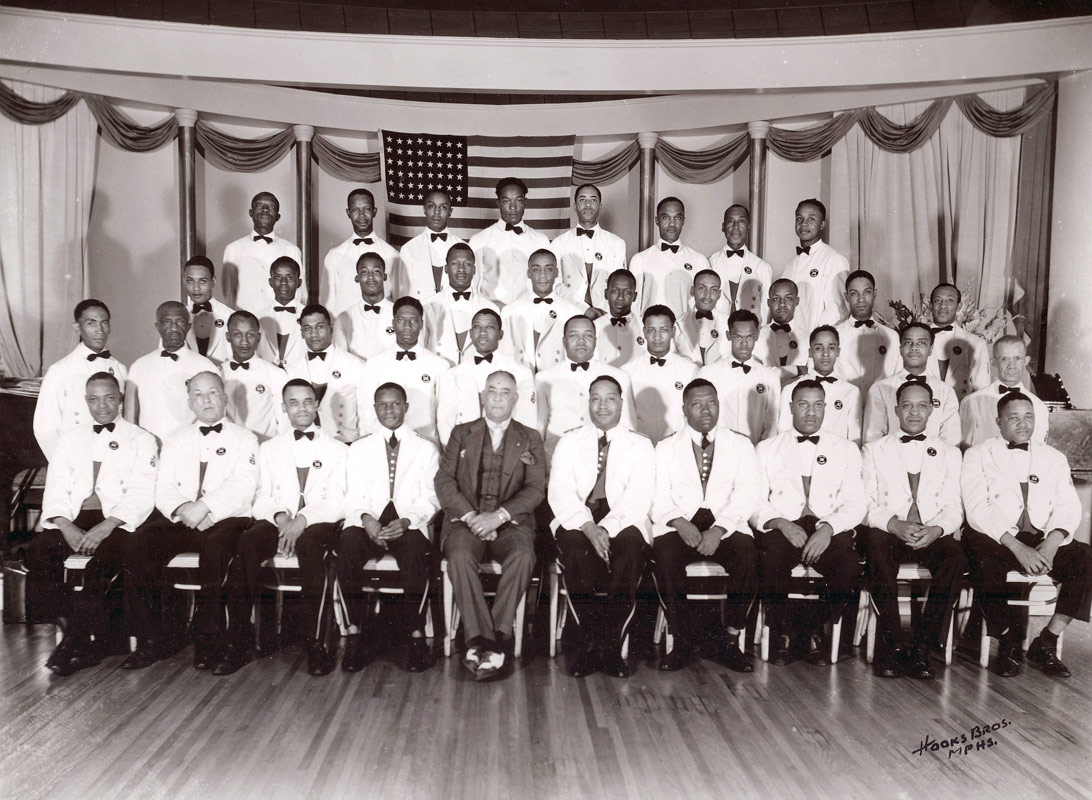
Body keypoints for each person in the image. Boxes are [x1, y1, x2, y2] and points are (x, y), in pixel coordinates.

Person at [121, 371, 259, 670]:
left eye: (212, 392)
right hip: (184, 516)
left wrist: (206, 507)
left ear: (224, 396)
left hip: (226, 518)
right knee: (140, 542)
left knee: (217, 551)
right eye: (198, 394)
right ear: (189, 402)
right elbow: (163, 486)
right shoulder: (175, 439)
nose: (206, 399)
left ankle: (214, 641)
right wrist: (186, 509)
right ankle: (152, 639)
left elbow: (243, 485)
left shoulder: (245, 438)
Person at [28, 372, 156, 675]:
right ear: (86, 401)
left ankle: (75, 641)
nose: (102, 406)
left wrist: (107, 525)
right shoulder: (70, 439)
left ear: (120, 399)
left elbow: (142, 491)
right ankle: (77, 631)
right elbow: (56, 487)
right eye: (95, 399)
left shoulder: (142, 439)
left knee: (105, 564)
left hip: (116, 520)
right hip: (72, 517)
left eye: (110, 398)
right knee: (38, 555)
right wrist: (64, 525)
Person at [219, 380, 347, 676]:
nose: (301, 408)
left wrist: (302, 521)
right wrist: (282, 519)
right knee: (248, 543)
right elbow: (260, 495)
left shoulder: (339, 449)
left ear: (316, 405)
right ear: (284, 408)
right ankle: (239, 641)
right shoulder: (269, 448)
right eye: (293, 402)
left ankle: (316, 644)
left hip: (319, 522)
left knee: (310, 547)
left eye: (307, 402)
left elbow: (338, 500)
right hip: (278, 519)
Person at [961, 392, 1092, 678]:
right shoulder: (978, 455)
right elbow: (976, 508)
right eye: (1014, 417)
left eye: (1028, 416)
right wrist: (1018, 548)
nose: (1023, 424)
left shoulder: (1054, 457)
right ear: (998, 422)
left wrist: (1052, 543)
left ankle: (1046, 640)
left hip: (1042, 537)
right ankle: (1007, 639)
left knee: (1085, 558)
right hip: (997, 536)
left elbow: (1068, 504)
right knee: (981, 562)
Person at [435, 370, 547, 681]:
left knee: (524, 555)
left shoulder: (531, 438)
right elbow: (444, 481)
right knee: (458, 556)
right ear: (482, 397)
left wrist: (498, 516)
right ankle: (485, 641)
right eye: (492, 391)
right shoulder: (461, 433)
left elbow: (536, 488)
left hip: (510, 525)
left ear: (515, 399)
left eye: (505, 392)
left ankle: (494, 636)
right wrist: (472, 517)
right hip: (465, 522)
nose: (498, 397)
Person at [752, 380, 865, 666]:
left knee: (848, 564)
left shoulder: (847, 449)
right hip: (783, 526)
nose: (810, 412)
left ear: (826, 408)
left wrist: (828, 528)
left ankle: (815, 629)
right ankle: (782, 632)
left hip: (827, 525)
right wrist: (779, 523)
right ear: (791, 407)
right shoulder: (767, 448)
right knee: (769, 559)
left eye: (817, 405)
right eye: (803, 404)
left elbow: (856, 503)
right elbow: (753, 501)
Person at [650, 379, 760, 672]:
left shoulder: (740, 444)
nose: (705, 410)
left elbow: (749, 492)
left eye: (711, 401)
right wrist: (679, 523)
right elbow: (656, 495)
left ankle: (730, 640)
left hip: (726, 523)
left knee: (748, 553)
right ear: (684, 409)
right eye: (696, 404)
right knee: (664, 555)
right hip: (679, 523)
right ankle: (681, 640)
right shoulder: (665, 447)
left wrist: (719, 529)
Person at [549, 376, 653, 678]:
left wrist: (606, 528)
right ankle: (589, 643)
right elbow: (560, 491)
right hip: (577, 516)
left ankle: (611, 644)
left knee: (631, 552)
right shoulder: (569, 441)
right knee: (576, 551)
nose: (603, 405)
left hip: (623, 518)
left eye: (610, 398)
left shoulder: (640, 444)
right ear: (588, 402)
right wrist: (588, 526)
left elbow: (639, 495)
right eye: (596, 398)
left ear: (621, 402)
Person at [861, 380, 966, 679]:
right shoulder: (874, 450)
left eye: (922, 405)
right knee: (876, 546)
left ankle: (923, 647)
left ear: (932, 409)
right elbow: (865, 503)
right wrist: (894, 524)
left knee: (955, 558)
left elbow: (953, 507)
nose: (914, 412)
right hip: (890, 532)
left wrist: (937, 529)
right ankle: (891, 645)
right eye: (907, 405)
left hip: (929, 532)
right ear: (896, 410)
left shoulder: (949, 453)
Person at [340, 382, 440, 674]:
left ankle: (416, 635)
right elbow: (352, 495)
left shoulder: (425, 448)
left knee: (415, 552)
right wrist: (366, 519)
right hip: (368, 521)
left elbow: (431, 498)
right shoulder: (359, 448)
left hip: (407, 522)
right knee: (347, 544)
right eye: (382, 405)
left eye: (395, 404)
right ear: (374, 410)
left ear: (406, 407)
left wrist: (408, 520)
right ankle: (355, 632)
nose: (389, 410)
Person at [33, 299, 128, 461]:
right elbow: (45, 428)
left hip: (113, 457)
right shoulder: (60, 370)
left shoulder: (119, 369)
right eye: (92, 323)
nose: (100, 330)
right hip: (75, 457)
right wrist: (64, 465)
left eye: (104, 323)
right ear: (77, 328)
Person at [535, 316, 636, 456]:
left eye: (587, 335)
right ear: (564, 341)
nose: (581, 341)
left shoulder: (620, 377)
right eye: (573, 335)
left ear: (596, 341)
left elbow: (629, 428)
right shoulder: (544, 378)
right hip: (556, 459)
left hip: (604, 461)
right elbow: (538, 428)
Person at [357, 297, 451, 443]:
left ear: (421, 324)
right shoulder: (375, 364)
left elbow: (446, 416)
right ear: (393, 323)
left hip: (427, 447)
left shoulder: (439, 365)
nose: (407, 326)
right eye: (401, 320)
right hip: (385, 446)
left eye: (413, 321)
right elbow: (366, 413)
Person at [435, 308, 536, 445]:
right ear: (470, 334)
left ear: (501, 334)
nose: (482, 333)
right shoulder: (452, 375)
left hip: (507, 450)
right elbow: (445, 422)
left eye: (489, 327)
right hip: (464, 452)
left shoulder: (521, 373)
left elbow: (526, 419)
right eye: (477, 327)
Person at [124, 301, 217, 441]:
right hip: (149, 451)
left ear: (188, 326)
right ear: (158, 327)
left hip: (190, 449)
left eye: (180, 322)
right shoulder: (139, 366)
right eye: (167, 322)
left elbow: (214, 417)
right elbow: (130, 421)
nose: (174, 328)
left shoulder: (205, 366)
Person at [864, 323, 959, 445]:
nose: (914, 347)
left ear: (930, 350)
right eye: (908, 342)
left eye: (921, 343)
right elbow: (873, 438)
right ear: (900, 350)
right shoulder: (880, 389)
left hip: (933, 461)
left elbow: (950, 440)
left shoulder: (946, 391)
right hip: (890, 461)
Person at [697, 309, 780, 445]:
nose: (744, 343)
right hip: (718, 453)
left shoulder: (770, 378)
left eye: (749, 337)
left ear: (757, 335)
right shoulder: (708, 374)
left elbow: (771, 427)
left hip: (755, 454)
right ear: (729, 335)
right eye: (738, 337)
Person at [286, 304, 365, 443]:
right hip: (306, 445)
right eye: (307, 329)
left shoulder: (356, 365)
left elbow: (367, 414)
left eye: (320, 327)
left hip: (347, 445)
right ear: (302, 333)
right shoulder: (291, 370)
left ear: (331, 329)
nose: (314, 334)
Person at [468, 177, 551, 308]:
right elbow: (473, 284)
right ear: (498, 203)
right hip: (492, 315)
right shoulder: (479, 240)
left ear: (525, 202)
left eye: (518, 200)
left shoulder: (541, 240)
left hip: (530, 314)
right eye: (506, 201)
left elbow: (550, 282)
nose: (513, 207)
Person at [621, 304, 698, 443]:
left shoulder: (690, 370)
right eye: (651, 330)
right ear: (644, 332)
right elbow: (625, 418)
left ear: (673, 331)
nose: (657, 337)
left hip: (677, 448)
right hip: (639, 448)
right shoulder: (626, 372)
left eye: (663, 330)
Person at [501, 248, 585, 373]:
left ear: (556, 273)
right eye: (536, 269)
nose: (542, 274)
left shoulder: (573, 313)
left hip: (557, 383)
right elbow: (505, 356)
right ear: (528, 273)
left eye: (548, 269)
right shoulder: (509, 312)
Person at [551, 183, 628, 316]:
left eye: (593, 200)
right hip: (569, 313)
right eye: (582, 200)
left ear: (600, 206)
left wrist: (604, 313)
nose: (588, 204)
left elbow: (619, 285)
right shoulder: (559, 243)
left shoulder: (617, 243)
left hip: (605, 314)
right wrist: (583, 309)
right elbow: (555, 285)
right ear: (575, 206)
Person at [322, 188, 400, 316]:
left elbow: (398, 298)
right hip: (347, 329)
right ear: (348, 213)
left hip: (382, 329)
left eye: (366, 209)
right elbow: (327, 304)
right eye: (355, 210)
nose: (362, 215)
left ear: (374, 212)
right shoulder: (334, 256)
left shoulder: (392, 255)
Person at [960, 335, 1048, 448]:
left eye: (1017, 358)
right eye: (1004, 359)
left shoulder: (1038, 405)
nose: (1011, 366)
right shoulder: (972, 402)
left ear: (1026, 361)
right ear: (994, 363)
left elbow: (1039, 449)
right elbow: (964, 446)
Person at [778, 326, 863, 445]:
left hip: (837, 458)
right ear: (810, 352)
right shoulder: (790, 389)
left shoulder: (851, 392)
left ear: (838, 352)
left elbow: (855, 438)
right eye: (818, 348)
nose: (825, 354)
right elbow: (783, 434)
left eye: (831, 348)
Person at [222, 192, 303, 313]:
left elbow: (300, 293)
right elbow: (228, 293)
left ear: (277, 216)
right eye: (259, 205)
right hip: (246, 322)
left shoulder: (291, 250)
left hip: (280, 321)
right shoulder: (233, 249)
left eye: (271, 207)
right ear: (251, 213)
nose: (265, 209)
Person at [421, 242, 502, 365]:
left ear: (474, 270)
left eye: (467, 264)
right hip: (439, 376)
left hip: (477, 376)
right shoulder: (427, 306)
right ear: (446, 269)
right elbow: (421, 350)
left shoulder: (491, 308)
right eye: (455, 263)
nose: (461, 269)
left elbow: (497, 353)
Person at [629, 197, 710, 317]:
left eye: (677, 218)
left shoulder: (699, 260)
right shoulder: (639, 259)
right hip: (651, 331)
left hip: (687, 331)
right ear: (657, 221)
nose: (672, 224)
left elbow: (704, 304)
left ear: (683, 221)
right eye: (665, 217)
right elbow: (634, 305)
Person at [219, 310, 287, 443]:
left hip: (263, 449)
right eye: (237, 334)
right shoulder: (218, 373)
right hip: (227, 450)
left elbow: (285, 422)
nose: (244, 341)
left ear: (258, 337)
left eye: (250, 334)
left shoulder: (275, 374)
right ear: (228, 337)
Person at [781, 199, 849, 330]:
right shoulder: (790, 264)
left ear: (822, 225)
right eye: (799, 219)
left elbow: (838, 310)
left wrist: (817, 338)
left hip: (817, 342)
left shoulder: (834, 259)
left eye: (811, 219)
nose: (804, 224)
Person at [834, 270, 899, 395]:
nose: (861, 299)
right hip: (845, 408)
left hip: (881, 408)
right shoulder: (835, 336)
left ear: (874, 294)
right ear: (846, 296)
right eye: (854, 294)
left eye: (867, 292)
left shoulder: (892, 337)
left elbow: (897, 379)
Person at [395, 189, 466, 300]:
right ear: (424, 209)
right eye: (431, 206)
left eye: (443, 207)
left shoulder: (463, 247)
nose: (436, 212)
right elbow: (402, 293)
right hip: (420, 311)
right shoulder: (409, 249)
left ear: (450, 212)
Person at [927, 283, 991, 401]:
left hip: (959, 414)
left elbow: (983, 393)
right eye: (938, 301)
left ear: (958, 306)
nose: (943, 306)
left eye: (950, 301)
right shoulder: (915, 340)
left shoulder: (976, 343)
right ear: (930, 306)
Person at [707, 204, 772, 318]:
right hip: (716, 331)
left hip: (749, 333)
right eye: (730, 221)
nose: (735, 226)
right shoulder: (709, 263)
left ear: (749, 226)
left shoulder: (762, 267)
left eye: (741, 221)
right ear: (723, 227)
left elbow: (766, 312)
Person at [332, 252, 397, 360]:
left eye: (376, 271)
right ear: (357, 278)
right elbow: (340, 360)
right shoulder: (344, 318)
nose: (371, 276)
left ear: (384, 276)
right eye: (364, 272)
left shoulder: (399, 314)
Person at [256, 256, 307, 368]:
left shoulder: (308, 316)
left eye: (289, 278)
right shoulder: (258, 318)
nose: (283, 282)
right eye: (278, 277)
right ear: (271, 282)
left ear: (299, 282)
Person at [753, 278, 808, 382]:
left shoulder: (809, 338)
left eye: (788, 298)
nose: (782, 304)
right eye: (776, 299)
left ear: (797, 301)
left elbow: (810, 375)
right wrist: (797, 370)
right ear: (768, 303)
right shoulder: (756, 337)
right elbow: (756, 374)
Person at [673, 269, 732, 367]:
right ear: (692, 290)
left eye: (713, 289)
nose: (707, 294)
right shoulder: (677, 324)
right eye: (702, 288)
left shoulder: (730, 324)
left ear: (719, 294)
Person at [183, 255, 234, 364]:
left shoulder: (231, 316)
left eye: (202, 281)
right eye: (190, 281)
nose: (196, 288)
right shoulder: (177, 318)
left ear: (213, 281)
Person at [592, 269, 642, 367]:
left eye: (627, 292)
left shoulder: (644, 326)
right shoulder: (593, 328)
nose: (620, 297)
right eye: (615, 291)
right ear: (606, 294)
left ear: (635, 296)